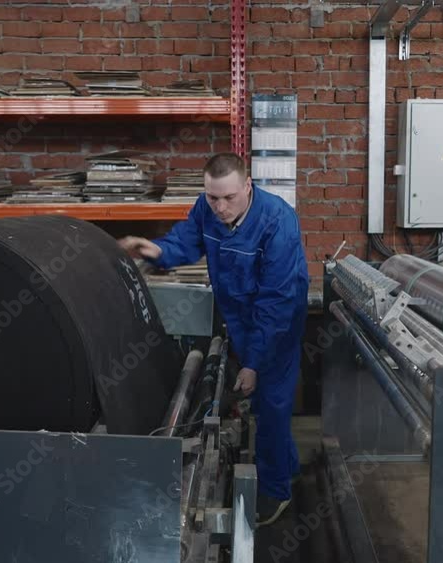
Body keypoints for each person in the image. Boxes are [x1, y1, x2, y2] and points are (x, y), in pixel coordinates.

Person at [119, 152, 309, 525]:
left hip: (277, 324)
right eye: (212, 198)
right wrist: (156, 250)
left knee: (269, 404)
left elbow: (276, 303)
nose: (220, 207)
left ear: (248, 187)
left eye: (229, 198)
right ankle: (289, 468)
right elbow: (187, 238)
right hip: (238, 316)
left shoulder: (277, 222)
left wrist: (254, 363)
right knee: (264, 402)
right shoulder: (207, 208)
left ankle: (275, 492)